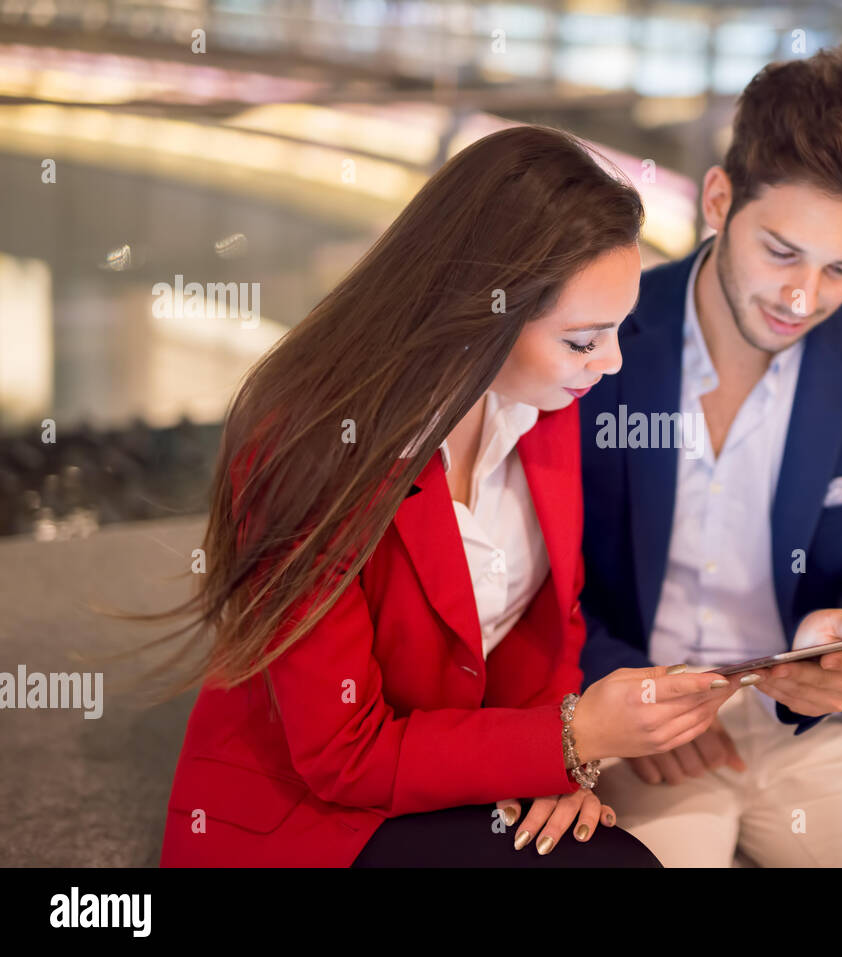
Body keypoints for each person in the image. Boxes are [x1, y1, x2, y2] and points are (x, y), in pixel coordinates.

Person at [148, 125, 743, 867]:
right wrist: (572, 735)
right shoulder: (312, 450)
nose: (611, 362)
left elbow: (548, 628)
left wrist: (557, 763)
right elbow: (341, 754)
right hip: (315, 816)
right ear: (486, 312)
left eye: (617, 330)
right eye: (584, 339)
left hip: (461, 768)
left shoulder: (544, 401)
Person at [577, 44, 842, 866]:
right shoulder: (600, 335)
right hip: (635, 719)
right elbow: (526, 576)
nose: (803, 298)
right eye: (783, 252)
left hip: (821, 730)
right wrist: (615, 683)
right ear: (718, 200)